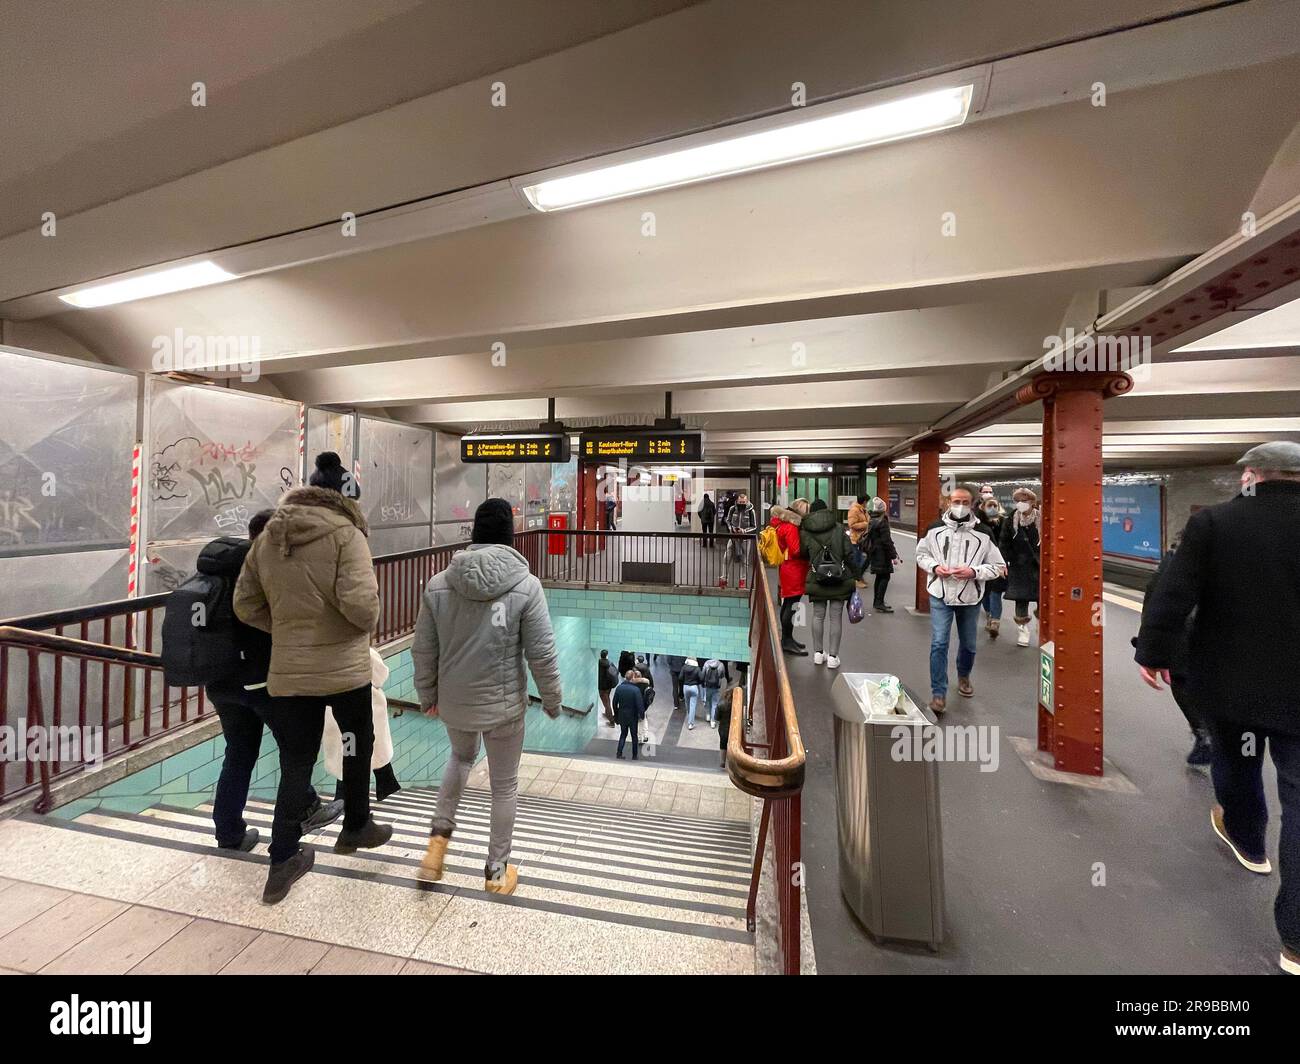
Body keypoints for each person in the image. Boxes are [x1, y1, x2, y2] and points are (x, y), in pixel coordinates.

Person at [1135, 442, 1300, 975]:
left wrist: (1155, 652)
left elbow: (1174, 593)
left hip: (1231, 681)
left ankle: (1249, 840)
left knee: (1236, 761)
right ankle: (1296, 941)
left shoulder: (1216, 525)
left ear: (1252, 476)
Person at [234, 454, 391, 903]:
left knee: (295, 764)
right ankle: (356, 824)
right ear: (344, 495)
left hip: (289, 674)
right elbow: (362, 609)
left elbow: (246, 605)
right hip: (344, 671)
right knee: (356, 742)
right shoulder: (348, 535)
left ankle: (282, 859)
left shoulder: (269, 536)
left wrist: (289, 629)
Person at [411, 498, 562, 895]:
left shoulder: (438, 583)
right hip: (504, 708)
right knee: (503, 785)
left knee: (459, 759)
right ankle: (496, 871)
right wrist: (551, 699)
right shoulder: (526, 587)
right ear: (510, 539)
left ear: (473, 535)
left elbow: (424, 649)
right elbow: (541, 652)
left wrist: (427, 694)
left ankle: (435, 847)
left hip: (455, 703)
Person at [203, 512, 343, 862]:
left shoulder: (221, 572)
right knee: (296, 756)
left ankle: (229, 832)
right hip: (264, 681)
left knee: (238, 752)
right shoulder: (272, 576)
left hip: (221, 681)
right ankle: (286, 848)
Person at [914, 484, 1006, 714]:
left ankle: (963, 675)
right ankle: (938, 693)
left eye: (965, 502)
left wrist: (974, 572)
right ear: (948, 503)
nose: (960, 506)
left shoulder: (984, 533)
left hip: (970, 596)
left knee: (969, 644)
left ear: (973, 504)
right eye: (956, 501)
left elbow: (998, 566)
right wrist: (934, 567)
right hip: (940, 594)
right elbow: (921, 554)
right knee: (939, 643)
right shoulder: (934, 529)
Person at [1131, 538, 1211, 766]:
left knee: (1181, 681)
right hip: (1230, 642)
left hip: (1185, 636)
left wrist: (1152, 652)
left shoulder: (1178, 556)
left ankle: (1204, 733)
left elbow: (1158, 597)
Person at [321, 646, 401, 803]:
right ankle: (349, 795)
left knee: (348, 750)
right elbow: (380, 675)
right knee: (361, 749)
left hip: (332, 707)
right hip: (364, 706)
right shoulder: (362, 649)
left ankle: (382, 784)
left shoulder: (323, 650)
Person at [799, 499, 864, 668]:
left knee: (818, 616)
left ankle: (818, 654)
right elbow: (849, 554)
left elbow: (803, 553)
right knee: (836, 618)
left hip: (817, 577)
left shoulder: (806, 530)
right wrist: (857, 575)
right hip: (839, 578)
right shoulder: (838, 529)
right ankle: (833, 657)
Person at [999, 487, 1041, 647]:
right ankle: (1023, 631)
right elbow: (1004, 543)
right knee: (1021, 599)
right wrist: (1004, 562)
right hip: (1019, 565)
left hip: (1038, 566)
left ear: (1032, 502)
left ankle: (1041, 626)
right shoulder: (1011, 520)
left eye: (1024, 501)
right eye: (1018, 501)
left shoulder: (1043, 519)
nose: (1021, 504)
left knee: (1042, 600)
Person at [769, 498, 810, 655]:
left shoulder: (781, 523)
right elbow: (796, 550)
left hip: (786, 568)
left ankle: (788, 638)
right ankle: (787, 640)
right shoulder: (791, 527)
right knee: (791, 605)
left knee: (788, 604)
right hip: (794, 569)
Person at [863, 496, 900, 613]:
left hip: (875, 552)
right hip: (882, 554)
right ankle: (879, 603)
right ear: (883, 509)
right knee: (885, 576)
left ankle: (877, 602)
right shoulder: (882, 521)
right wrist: (894, 555)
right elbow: (886, 541)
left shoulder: (872, 519)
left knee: (879, 577)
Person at [979, 495, 1008, 637]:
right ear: (983, 507)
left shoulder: (1004, 523)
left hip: (998, 561)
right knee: (985, 592)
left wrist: (1004, 563)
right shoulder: (978, 523)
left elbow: (1007, 543)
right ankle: (990, 614)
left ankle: (995, 621)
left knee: (995, 592)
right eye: (989, 506)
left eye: (995, 506)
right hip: (982, 562)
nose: (992, 509)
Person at [613, 669, 647, 759]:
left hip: (622, 715)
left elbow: (614, 703)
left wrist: (616, 714)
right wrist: (642, 715)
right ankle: (634, 756)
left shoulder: (619, 688)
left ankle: (619, 753)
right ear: (633, 677)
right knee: (634, 736)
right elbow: (639, 704)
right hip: (632, 716)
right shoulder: (635, 690)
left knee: (623, 734)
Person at [728, 492, 758, 566]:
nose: (741, 504)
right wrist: (731, 528)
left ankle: (743, 577)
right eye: (740, 502)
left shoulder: (751, 511)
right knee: (727, 557)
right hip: (733, 537)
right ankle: (724, 576)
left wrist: (744, 531)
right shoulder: (732, 509)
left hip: (746, 538)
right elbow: (728, 521)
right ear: (737, 501)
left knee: (744, 561)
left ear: (747, 501)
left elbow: (754, 526)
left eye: (743, 502)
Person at [699, 656, 727, 728]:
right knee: (714, 704)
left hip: (707, 686)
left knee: (707, 701)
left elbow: (703, 675)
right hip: (716, 687)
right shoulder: (721, 665)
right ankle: (713, 721)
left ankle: (708, 714)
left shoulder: (706, 663)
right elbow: (722, 676)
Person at [680, 656, 703, 729]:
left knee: (687, 703)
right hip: (694, 687)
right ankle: (690, 723)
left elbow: (680, 677)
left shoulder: (684, 667)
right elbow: (701, 678)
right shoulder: (697, 668)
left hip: (686, 687)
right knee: (693, 705)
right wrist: (697, 682)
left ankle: (689, 714)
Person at [597, 649, 619, 725]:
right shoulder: (610, 663)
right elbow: (616, 672)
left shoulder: (598, 663)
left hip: (602, 687)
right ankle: (607, 713)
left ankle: (611, 721)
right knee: (607, 700)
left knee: (607, 703)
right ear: (607, 655)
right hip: (608, 687)